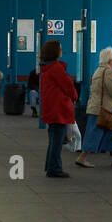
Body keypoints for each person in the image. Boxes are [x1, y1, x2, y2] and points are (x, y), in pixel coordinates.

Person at [77, 48, 112, 168]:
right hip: (103, 110)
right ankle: (82, 157)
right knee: (95, 133)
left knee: (111, 133)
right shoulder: (109, 72)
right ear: (110, 59)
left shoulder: (98, 71)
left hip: (98, 107)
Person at [39, 39, 78, 178]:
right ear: (55, 51)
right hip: (58, 110)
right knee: (57, 141)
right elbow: (68, 86)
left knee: (53, 139)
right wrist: (75, 96)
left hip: (51, 109)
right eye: (60, 49)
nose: (62, 51)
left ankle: (50, 165)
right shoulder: (56, 68)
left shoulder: (46, 67)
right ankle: (54, 168)